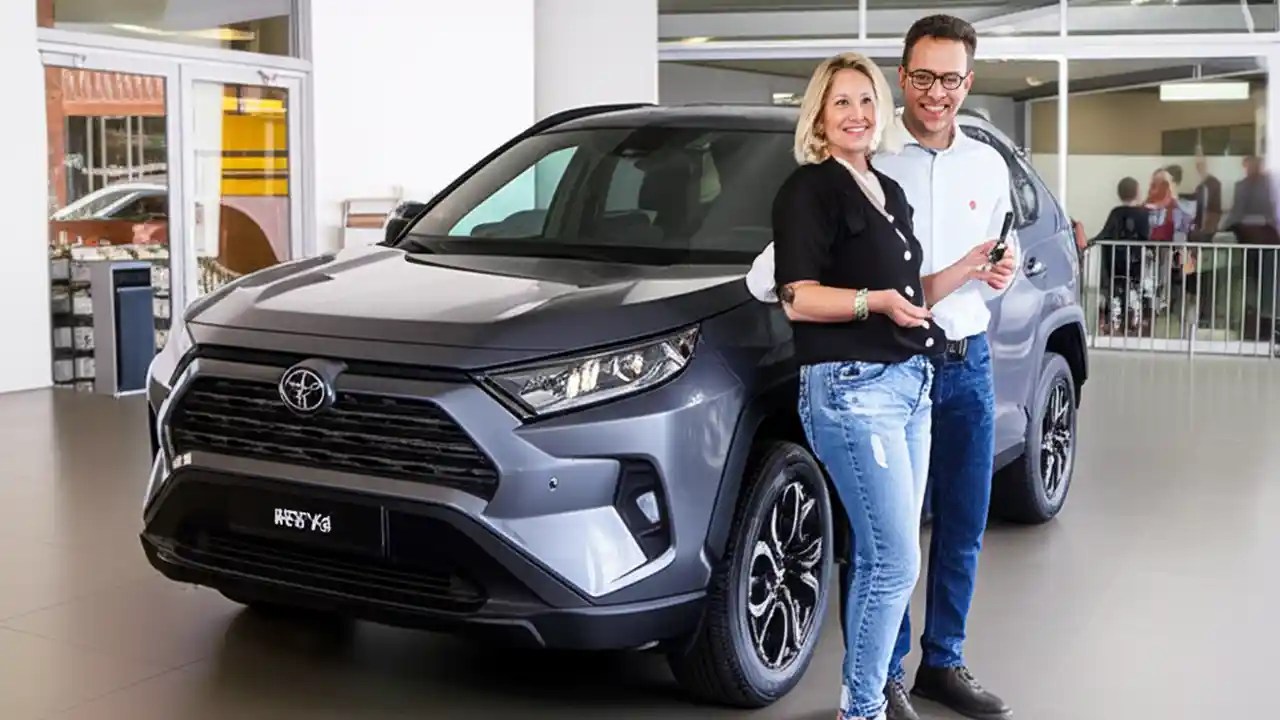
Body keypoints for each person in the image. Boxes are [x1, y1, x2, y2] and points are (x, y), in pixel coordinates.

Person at [747, 14, 1019, 720]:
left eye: (951, 78)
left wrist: (990, 269)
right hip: (863, 377)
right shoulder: (845, 173)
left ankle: (942, 665)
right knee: (889, 545)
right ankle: (877, 687)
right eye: (922, 77)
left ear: (968, 82)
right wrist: (868, 303)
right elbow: (782, 285)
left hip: (952, 366)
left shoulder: (970, 169)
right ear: (906, 78)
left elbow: (929, 283)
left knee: (957, 525)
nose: (937, 92)